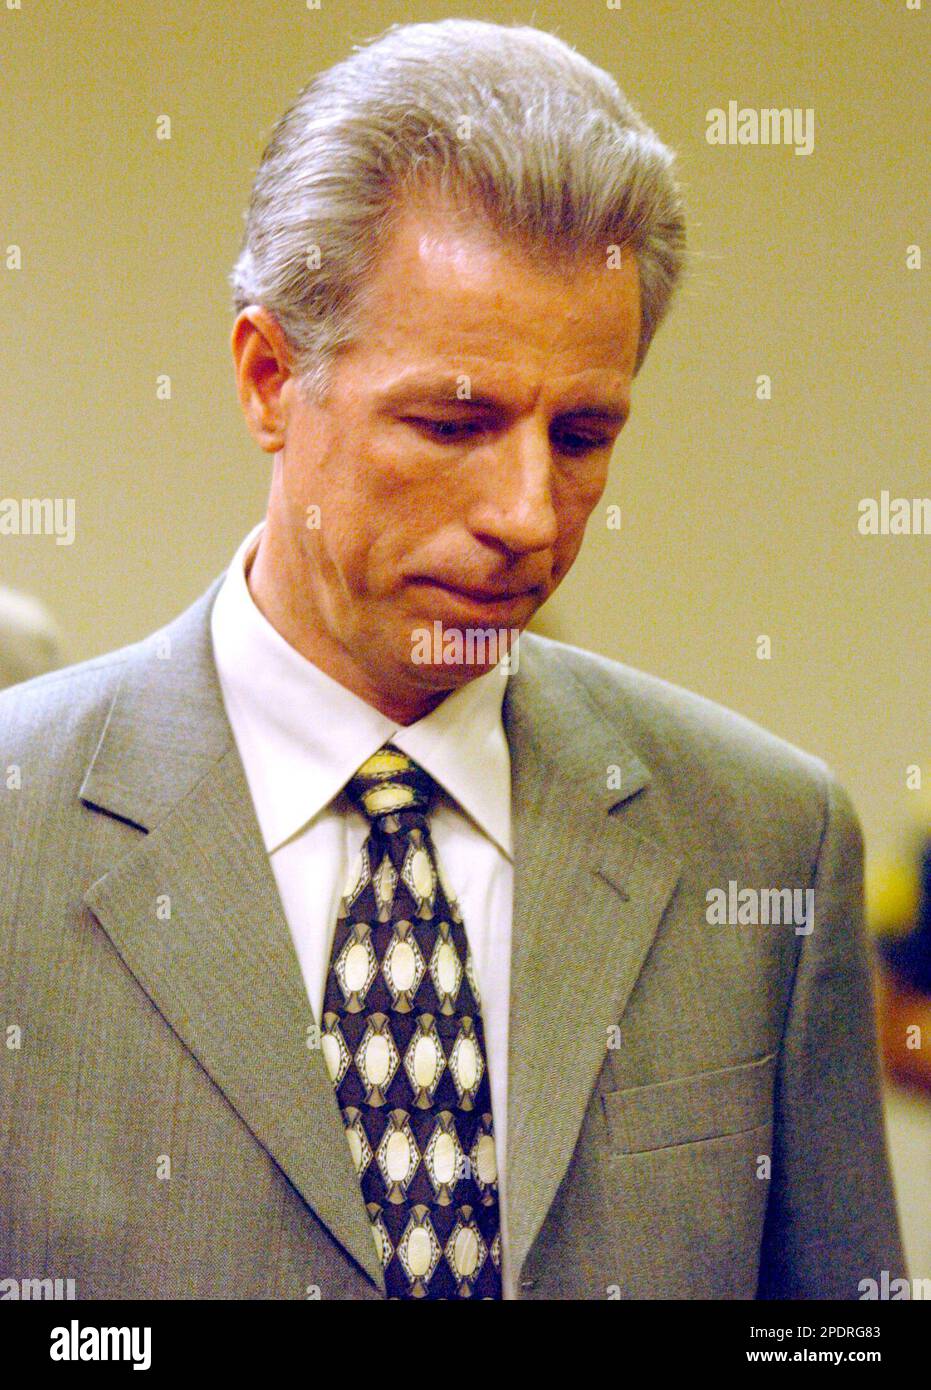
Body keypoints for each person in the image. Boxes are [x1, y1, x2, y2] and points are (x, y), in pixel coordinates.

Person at [0, 18, 904, 1300]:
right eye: (453, 421)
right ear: (268, 375)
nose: (528, 514)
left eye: (583, 435)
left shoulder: (765, 844)